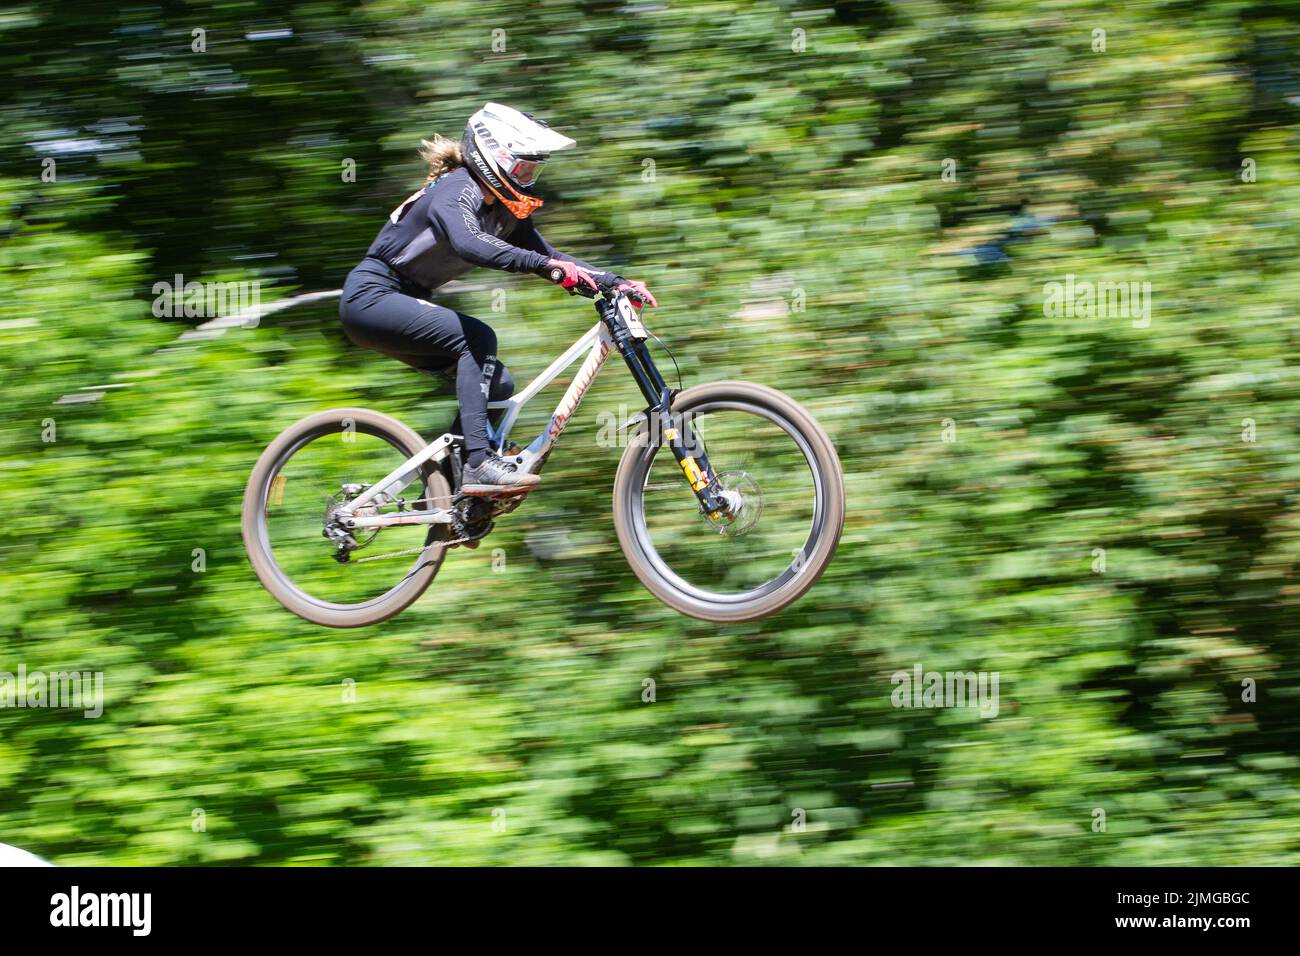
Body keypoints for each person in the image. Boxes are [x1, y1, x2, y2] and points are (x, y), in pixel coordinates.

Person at [339, 103, 656, 494]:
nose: (527, 178)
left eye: (533, 171)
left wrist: (613, 281)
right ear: (493, 156)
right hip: (371, 297)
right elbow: (471, 245)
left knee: (497, 383)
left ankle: (450, 498)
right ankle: (478, 464)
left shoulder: (506, 211)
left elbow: (552, 256)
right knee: (478, 338)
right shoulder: (457, 188)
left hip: (404, 299)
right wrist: (548, 270)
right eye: (523, 168)